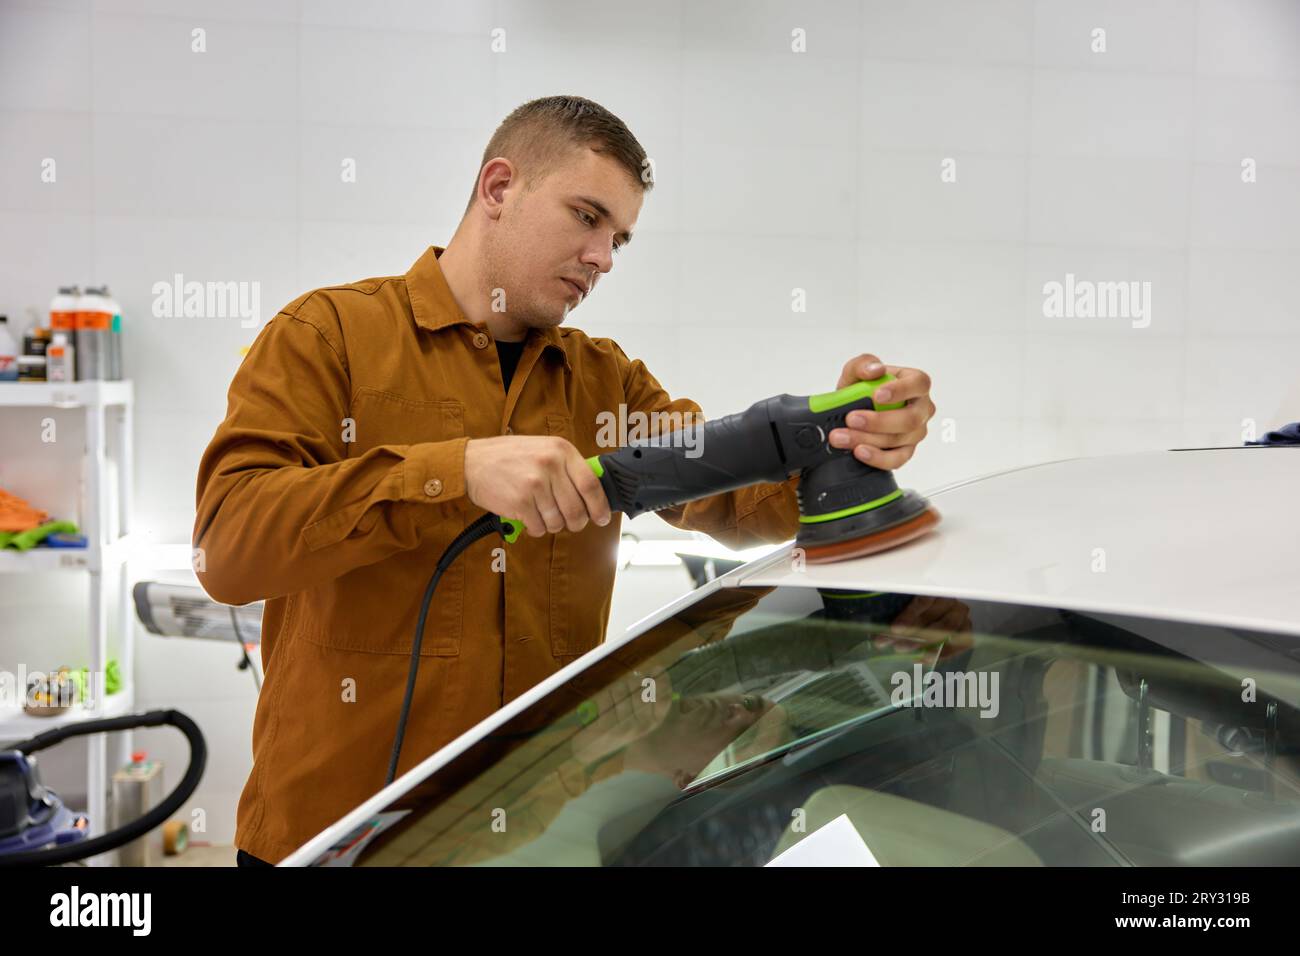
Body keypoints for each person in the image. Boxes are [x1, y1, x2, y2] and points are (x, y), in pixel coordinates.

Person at [192, 94, 937, 865]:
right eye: (587, 217)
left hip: (534, 842)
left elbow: (741, 500)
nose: (604, 258)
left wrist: (849, 441)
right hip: (328, 843)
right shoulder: (326, 337)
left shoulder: (605, 383)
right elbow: (229, 548)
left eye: (619, 239)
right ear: (498, 188)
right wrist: (455, 471)